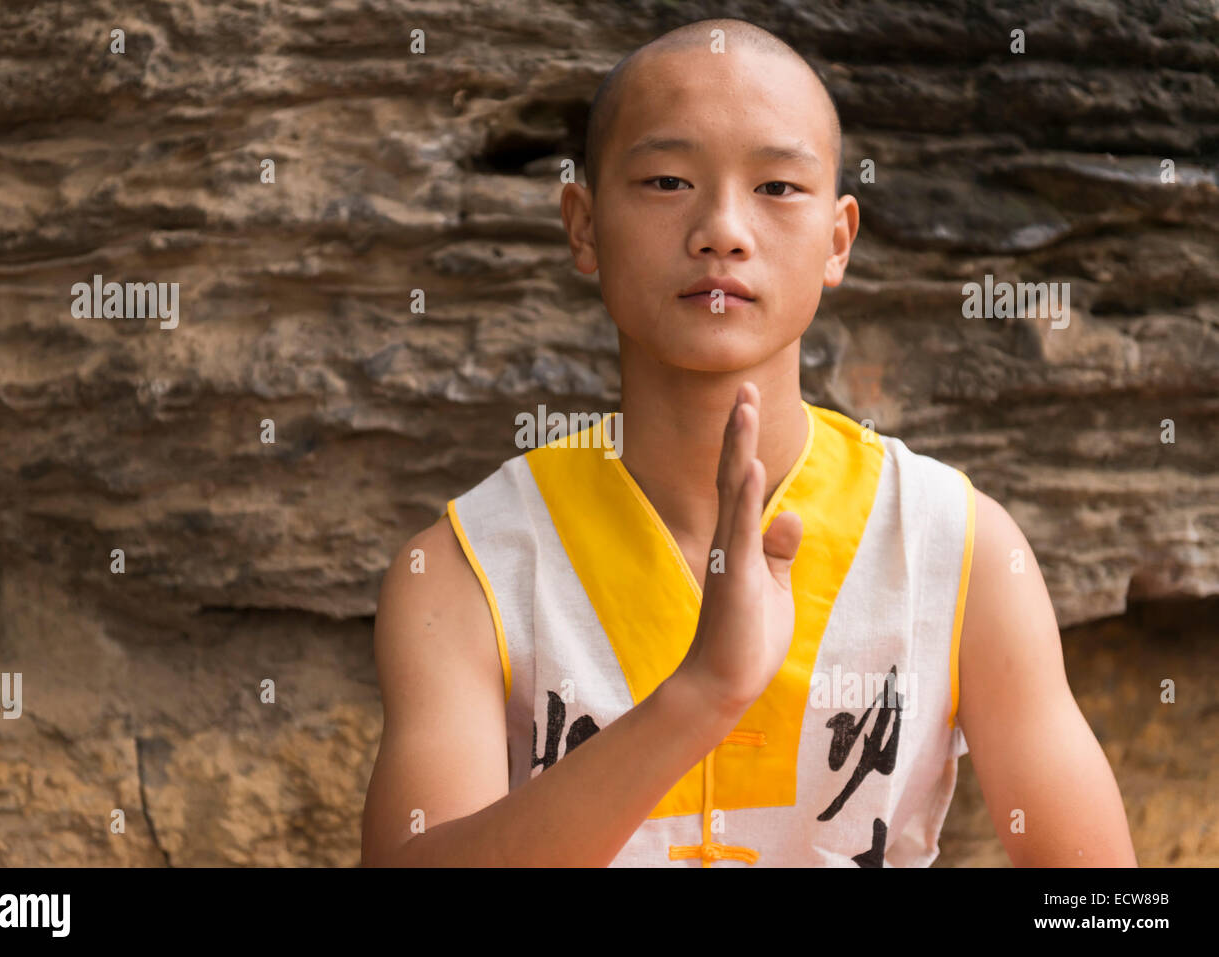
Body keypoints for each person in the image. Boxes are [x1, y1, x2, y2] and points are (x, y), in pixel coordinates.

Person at [360, 17, 1138, 867]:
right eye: (667, 181)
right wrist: (701, 695)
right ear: (582, 225)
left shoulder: (955, 548)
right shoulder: (469, 570)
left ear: (838, 240)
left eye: (777, 187)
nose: (722, 229)